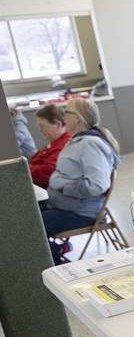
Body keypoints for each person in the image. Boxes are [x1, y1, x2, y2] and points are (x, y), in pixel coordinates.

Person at [42, 97, 121, 263]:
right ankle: (55, 252)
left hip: (80, 212)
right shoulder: (79, 140)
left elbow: (97, 185)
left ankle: (56, 263)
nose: (63, 118)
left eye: (66, 113)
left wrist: (63, 188)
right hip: (66, 206)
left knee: (29, 227)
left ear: (76, 117)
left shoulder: (89, 144)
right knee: (29, 217)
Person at [29, 104, 72, 189]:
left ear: (57, 124)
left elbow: (48, 172)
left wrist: (25, 170)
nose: (40, 130)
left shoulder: (65, 144)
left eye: (43, 126)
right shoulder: (54, 143)